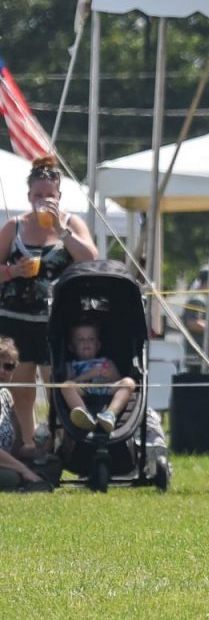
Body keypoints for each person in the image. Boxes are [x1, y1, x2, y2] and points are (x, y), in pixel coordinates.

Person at [0, 159, 95, 436]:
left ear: (59, 196)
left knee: (58, 386)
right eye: (38, 195)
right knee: (21, 389)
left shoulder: (71, 223)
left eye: (49, 195)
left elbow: (91, 258)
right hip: (15, 319)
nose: (43, 201)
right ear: (28, 195)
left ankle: (59, 443)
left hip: (57, 320)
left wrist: (62, 231)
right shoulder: (14, 227)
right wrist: (12, 270)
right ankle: (27, 445)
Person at [58, 321, 134, 436]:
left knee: (128, 382)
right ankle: (84, 415)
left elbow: (118, 378)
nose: (86, 343)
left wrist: (110, 375)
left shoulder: (106, 361)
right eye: (80, 340)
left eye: (91, 339)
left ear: (98, 345)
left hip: (106, 387)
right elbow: (71, 381)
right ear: (71, 347)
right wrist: (88, 375)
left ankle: (110, 414)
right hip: (84, 389)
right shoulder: (71, 365)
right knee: (65, 386)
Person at [0, 336, 50, 491]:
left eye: (8, 366)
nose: (2, 370)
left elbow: (17, 448)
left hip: (7, 463)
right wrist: (24, 470)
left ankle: (29, 481)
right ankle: (27, 480)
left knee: (52, 463)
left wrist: (38, 448)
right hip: (6, 466)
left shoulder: (7, 397)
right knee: (11, 477)